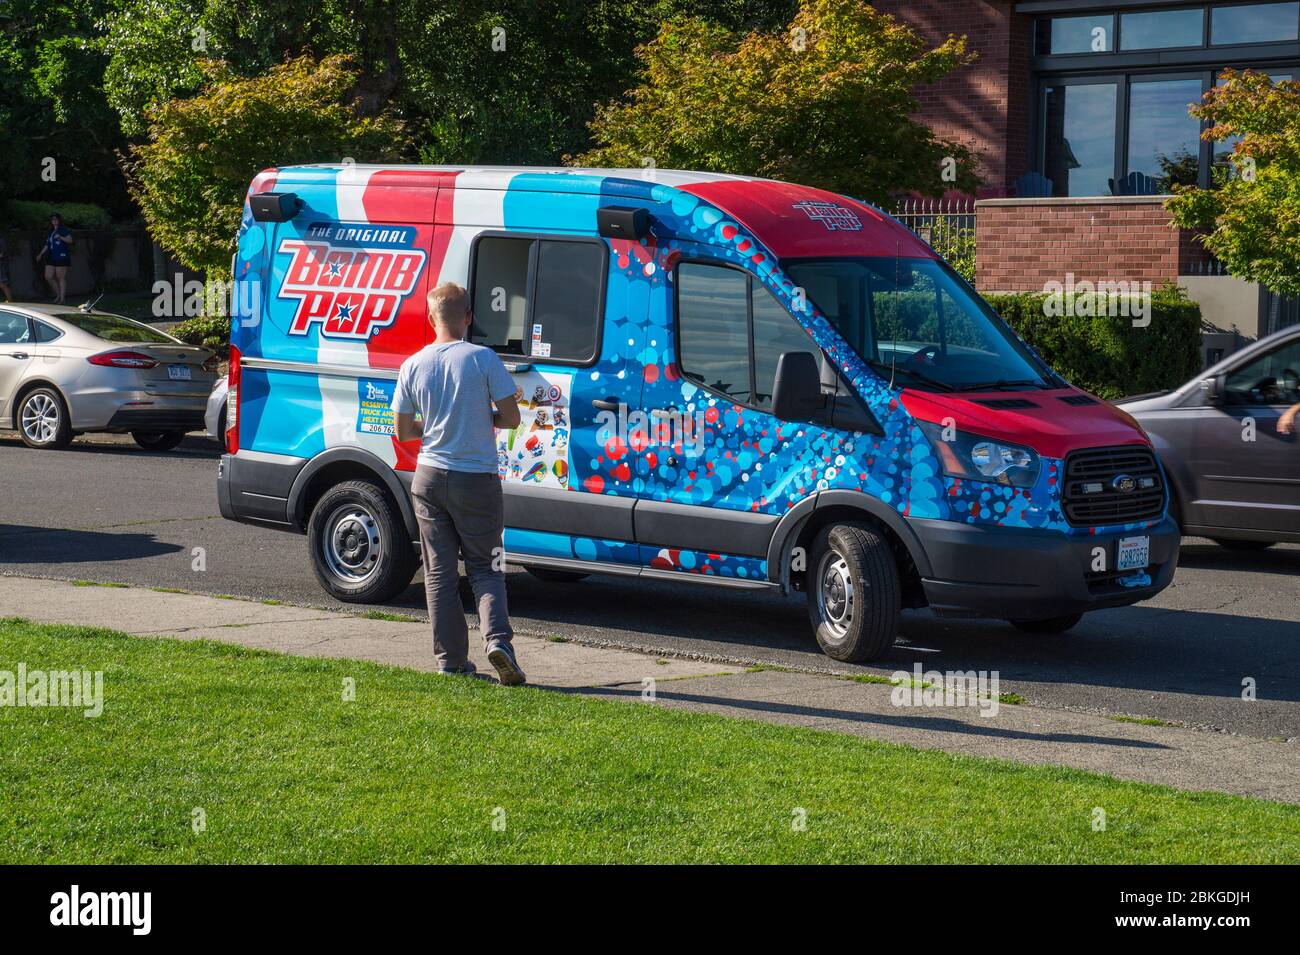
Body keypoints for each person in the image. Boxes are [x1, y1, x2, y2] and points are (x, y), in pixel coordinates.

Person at [392, 282, 526, 684]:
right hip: (477, 478)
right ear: (468, 316)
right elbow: (512, 418)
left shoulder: (413, 364)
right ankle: (498, 642)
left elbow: (403, 431)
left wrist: (433, 424)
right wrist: (483, 417)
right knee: (487, 567)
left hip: (429, 477)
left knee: (439, 574)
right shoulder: (483, 358)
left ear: (431, 318)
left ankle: (450, 660)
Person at [34, 213, 74, 304]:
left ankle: (62, 298)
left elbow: (70, 240)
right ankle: (58, 295)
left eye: (56, 219)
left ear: (59, 220)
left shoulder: (63, 230)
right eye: (52, 219)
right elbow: (47, 245)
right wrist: (40, 254)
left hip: (62, 256)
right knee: (48, 277)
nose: (54, 221)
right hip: (51, 256)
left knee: (60, 277)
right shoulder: (51, 231)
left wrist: (60, 237)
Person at [0, 234, 11, 303]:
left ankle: (10, 301)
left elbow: (2, 254)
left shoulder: (1, 240)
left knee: (2, 284)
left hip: (1, 265)